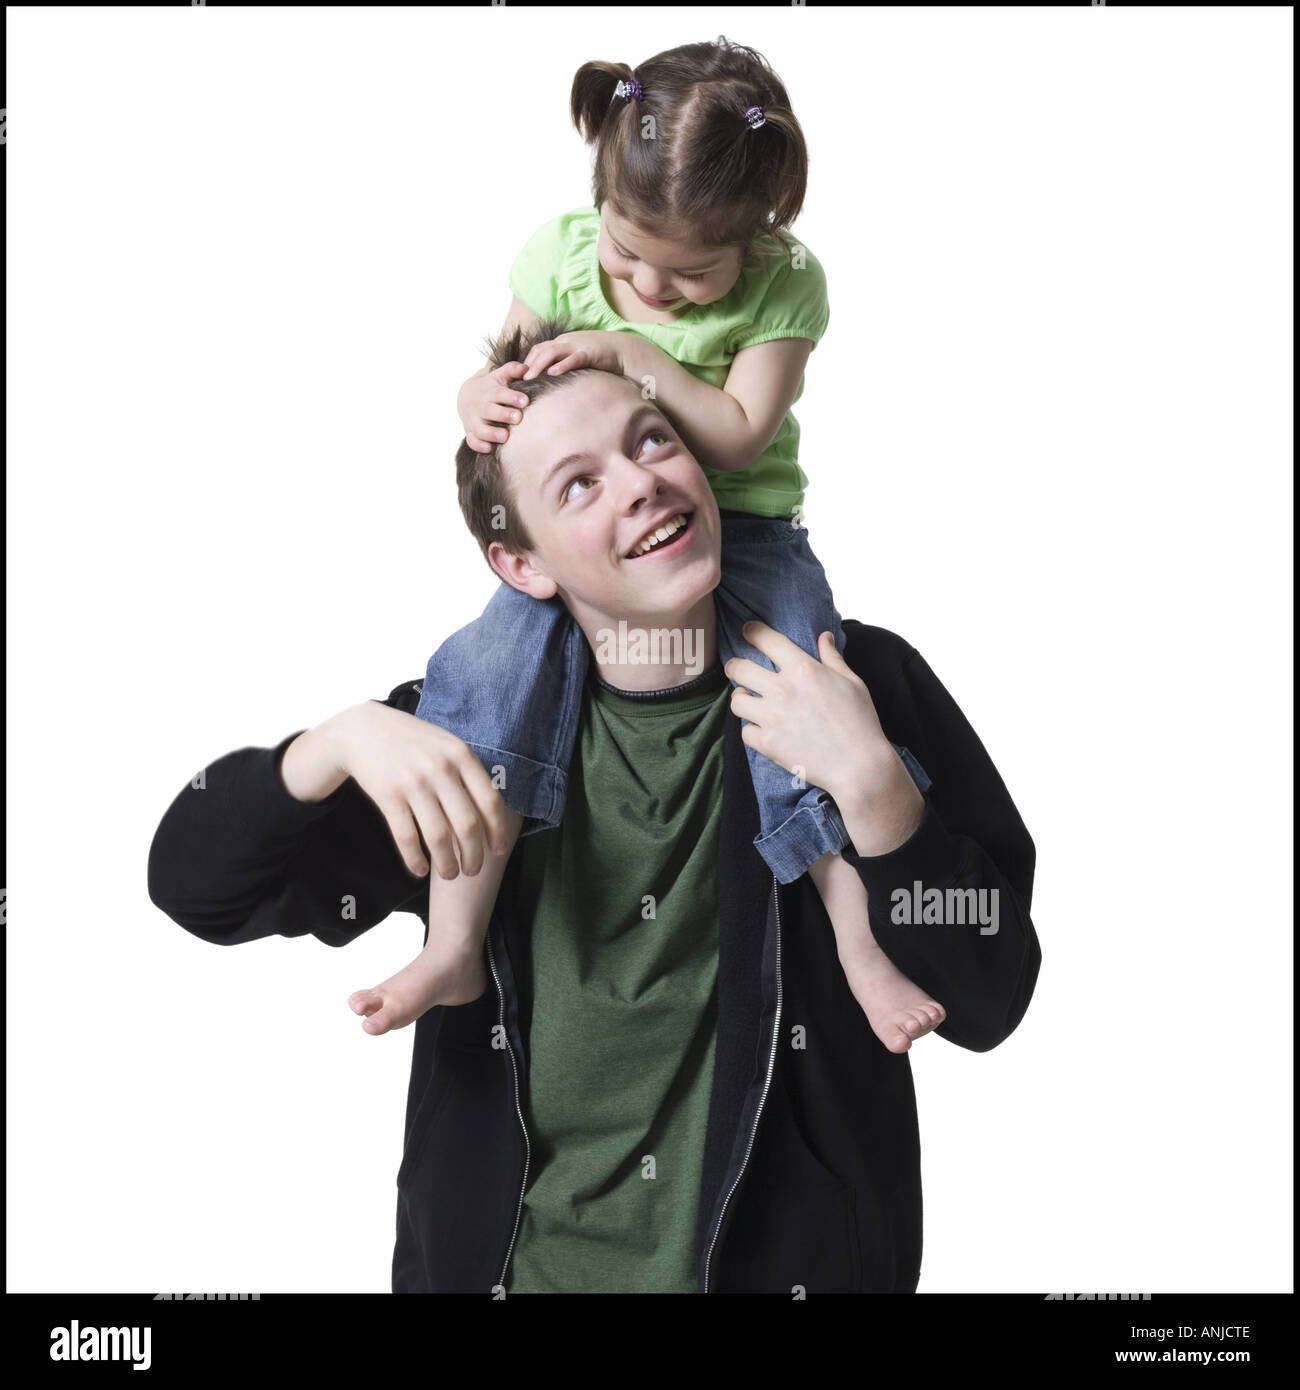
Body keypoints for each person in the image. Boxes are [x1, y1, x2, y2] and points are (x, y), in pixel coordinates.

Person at [147, 335, 1041, 1293]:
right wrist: (325, 748)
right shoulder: (465, 738)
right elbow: (197, 888)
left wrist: (874, 788)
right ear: (520, 565)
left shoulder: (854, 683)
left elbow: (992, 994)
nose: (640, 484)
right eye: (577, 485)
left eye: (652, 440)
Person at [373, 35, 947, 1054]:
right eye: (626, 253)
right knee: (484, 676)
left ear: (757, 234)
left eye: (691, 274)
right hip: (597, 561)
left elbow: (734, 434)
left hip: (747, 530)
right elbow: (507, 382)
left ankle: (861, 942)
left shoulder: (782, 285)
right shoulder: (557, 253)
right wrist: (472, 394)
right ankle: (455, 935)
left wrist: (640, 363)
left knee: (802, 699)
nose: (648, 283)